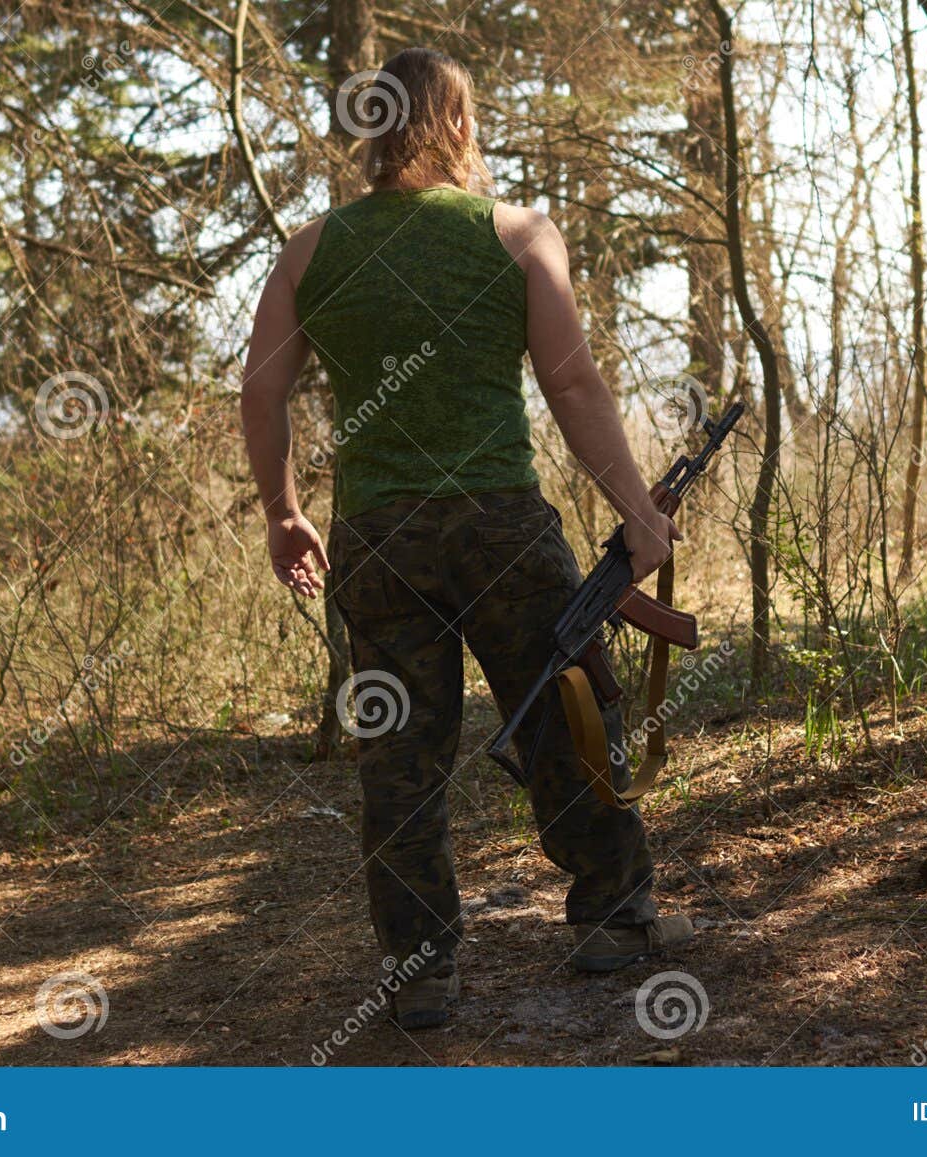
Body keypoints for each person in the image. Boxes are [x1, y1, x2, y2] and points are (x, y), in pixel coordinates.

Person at [239, 46, 692, 1029]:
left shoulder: (310, 250)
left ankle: (421, 969)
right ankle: (613, 916)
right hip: (499, 524)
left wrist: (283, 510)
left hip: (377, 535)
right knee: (568, 711)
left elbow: (261, 389)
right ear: (453, 123)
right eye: (468, 116)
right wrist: (637, 510)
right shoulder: (518, 231)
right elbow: (570, 384)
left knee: (397, 751)